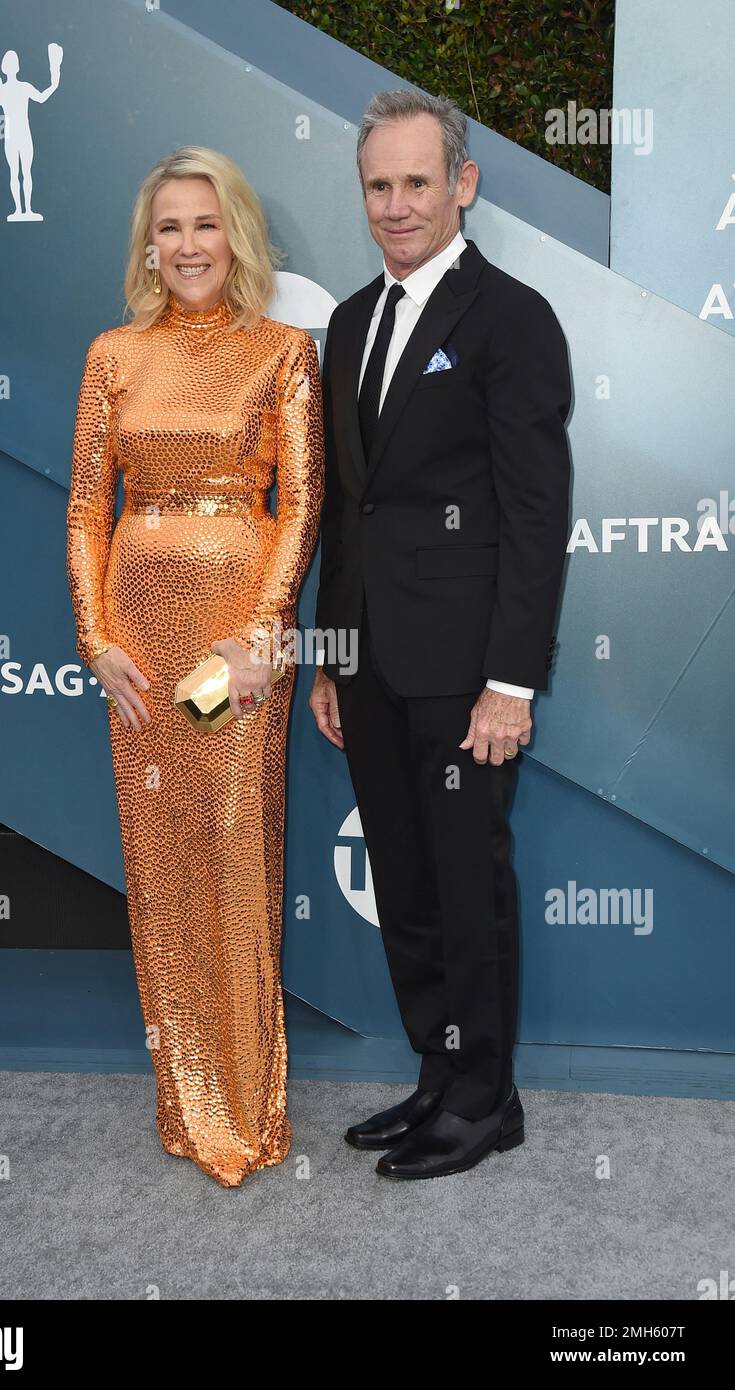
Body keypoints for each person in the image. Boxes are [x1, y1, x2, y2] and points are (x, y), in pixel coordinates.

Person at [310, 90, 571, 1179]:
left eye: (417, 182)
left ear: (461, 183)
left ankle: (484, 1097)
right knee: (406, 881)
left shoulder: (512, 318)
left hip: (466, 675)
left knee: (466, 882)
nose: (396, 204)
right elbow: (345, 507)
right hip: (369, 665)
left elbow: (532, 513)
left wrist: (508, 682)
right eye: (378, 185)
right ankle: (437, 1070)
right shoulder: (348, 322)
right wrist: (329, 655)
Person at [66, 147, 324, 1188]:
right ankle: (186, 1100)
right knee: (161, 867)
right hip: (139, 642)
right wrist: (97, 639)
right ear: (148, 246)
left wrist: (261, 632)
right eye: (167, 227)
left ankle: (247, 1105)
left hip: (232, 652)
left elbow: (300, 504)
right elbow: (89, 506)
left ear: (237, 237)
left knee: (232, 855)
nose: (186, 245)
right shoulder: (111, 355)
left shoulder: (281, 351)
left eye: (204, 224)